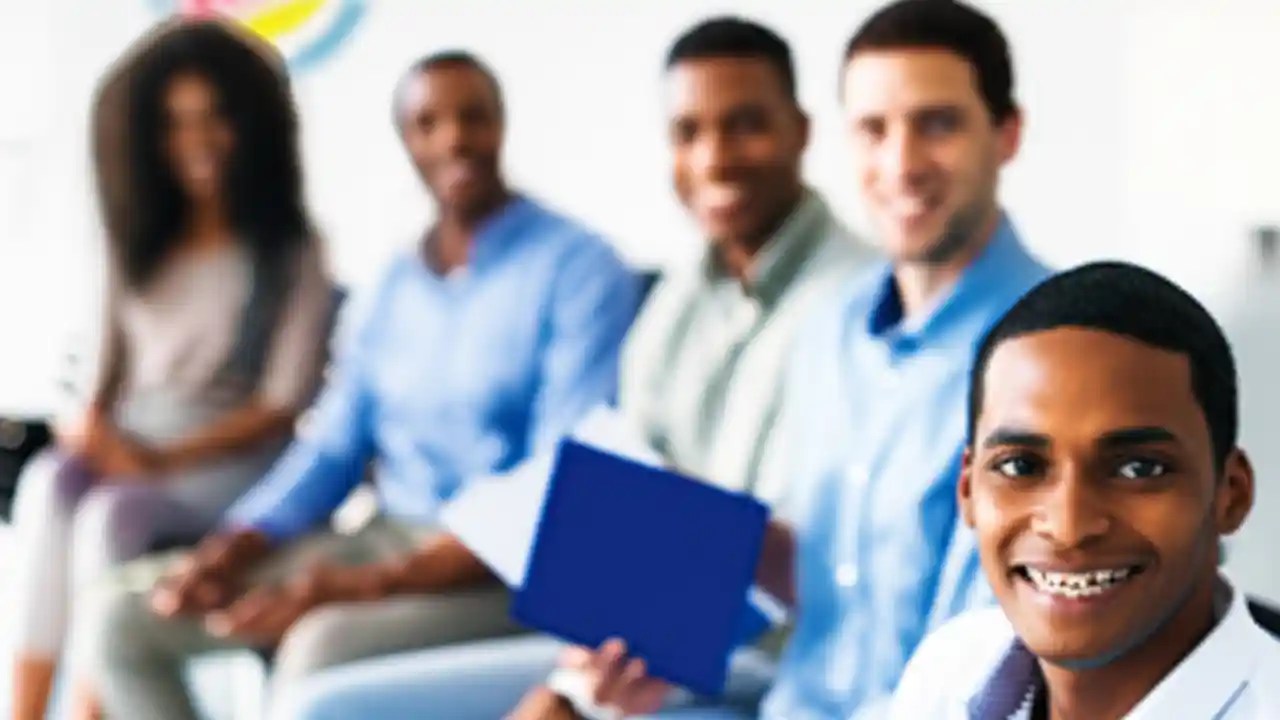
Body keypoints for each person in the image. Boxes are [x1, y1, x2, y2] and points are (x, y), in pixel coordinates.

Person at [295, 2, 1050, 718]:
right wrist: (654, 607)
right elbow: (830, 572)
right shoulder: (840, 328)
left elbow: (980, 668)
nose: (901, 163)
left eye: (938, 125)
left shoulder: (1042, 358)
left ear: (1007, 134)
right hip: (771, 684)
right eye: (874, 130)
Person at [74, 47, 641, 720]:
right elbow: (332, 449)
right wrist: (231, 549)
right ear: (407, 140)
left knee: (317, 645)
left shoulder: (579, 268)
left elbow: (560, 487)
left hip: (497, 573)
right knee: (117, 618)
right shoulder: (391, 288)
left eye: (473, 117)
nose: (454, 138)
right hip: (383, 535)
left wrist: (362, 587)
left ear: (501, 123)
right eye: (429, 123)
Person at [8, 18, 336, 720]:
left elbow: (284, 402)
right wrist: (95, 436)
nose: (198, 141)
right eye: (177, 123)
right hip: (134, 441)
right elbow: (97, 379)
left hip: (233, 458)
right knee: (47, 487)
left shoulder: (291, 253)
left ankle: (91, 711)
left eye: (215, 119)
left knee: (111, 516)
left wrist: (160, 460)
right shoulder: (136, 245)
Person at [889, 261, 1280, 719]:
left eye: (1138, 469)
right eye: (1020, 465)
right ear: (968, 491)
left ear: (1230, 494)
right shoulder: (949, 676)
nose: (1068, 527)